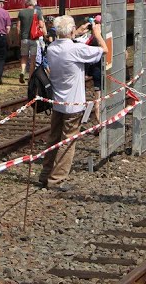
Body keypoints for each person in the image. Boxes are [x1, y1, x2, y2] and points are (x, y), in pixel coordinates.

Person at [36, 16, 105, 192]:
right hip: (74, 105)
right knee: (67, 142)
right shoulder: (76, 49)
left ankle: (45, 174)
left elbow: (68, 44)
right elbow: (104, 50)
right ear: (72, 30)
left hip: (57, 102)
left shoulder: (52, 48)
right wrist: (97, 34)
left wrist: (77, 33)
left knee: (53, 138)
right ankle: (56, 179)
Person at [16, 0, 43, 83]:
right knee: (33, 59)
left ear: (26, 3)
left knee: (24, 57)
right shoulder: (37, 12)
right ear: (34, 3)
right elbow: (41, 25)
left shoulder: (21, 12)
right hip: (34, 39)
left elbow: (18, 27)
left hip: (24, 39)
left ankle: (22, 71)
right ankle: (30, 78)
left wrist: (19, 38)